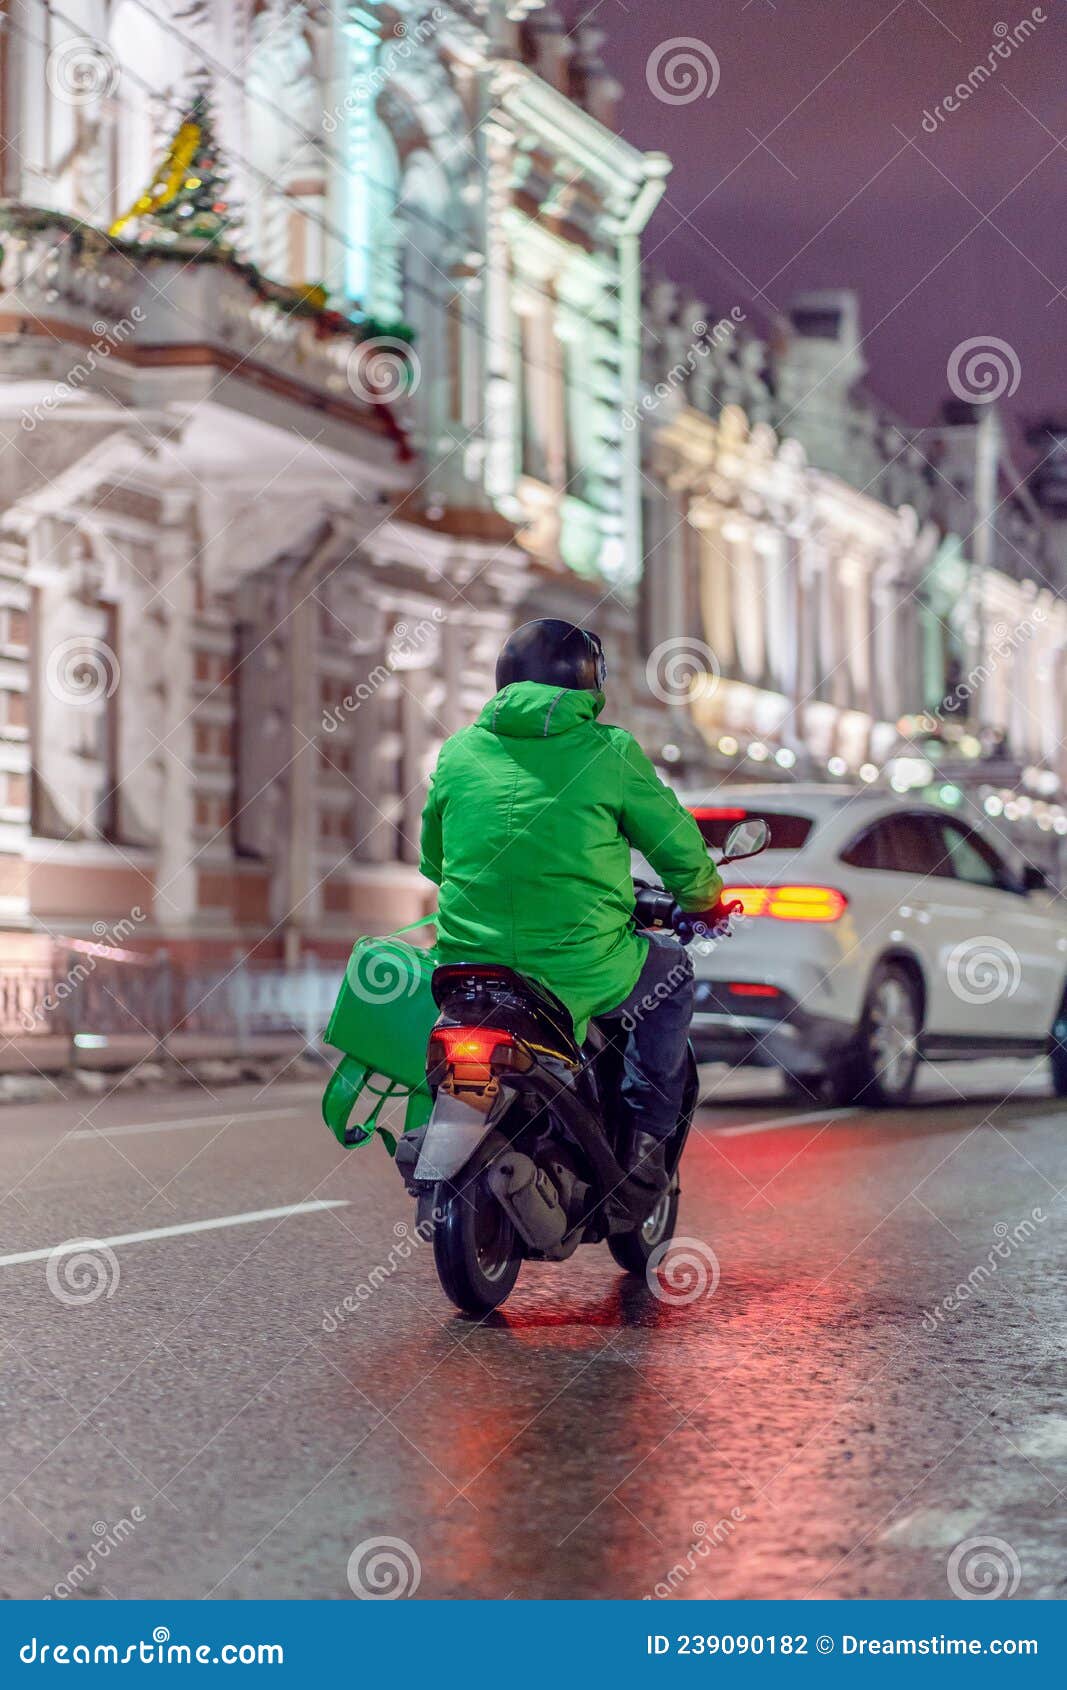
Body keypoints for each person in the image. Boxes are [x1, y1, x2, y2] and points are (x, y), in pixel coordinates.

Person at [419, 618, 732, 1198]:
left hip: (469, 966)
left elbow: (434, 861)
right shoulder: (608, 751)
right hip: (578, 969)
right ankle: (644, 1141)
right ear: (590, 685)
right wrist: (704, 901)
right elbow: (675, 842)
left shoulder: (460, 750)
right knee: (672, 973)